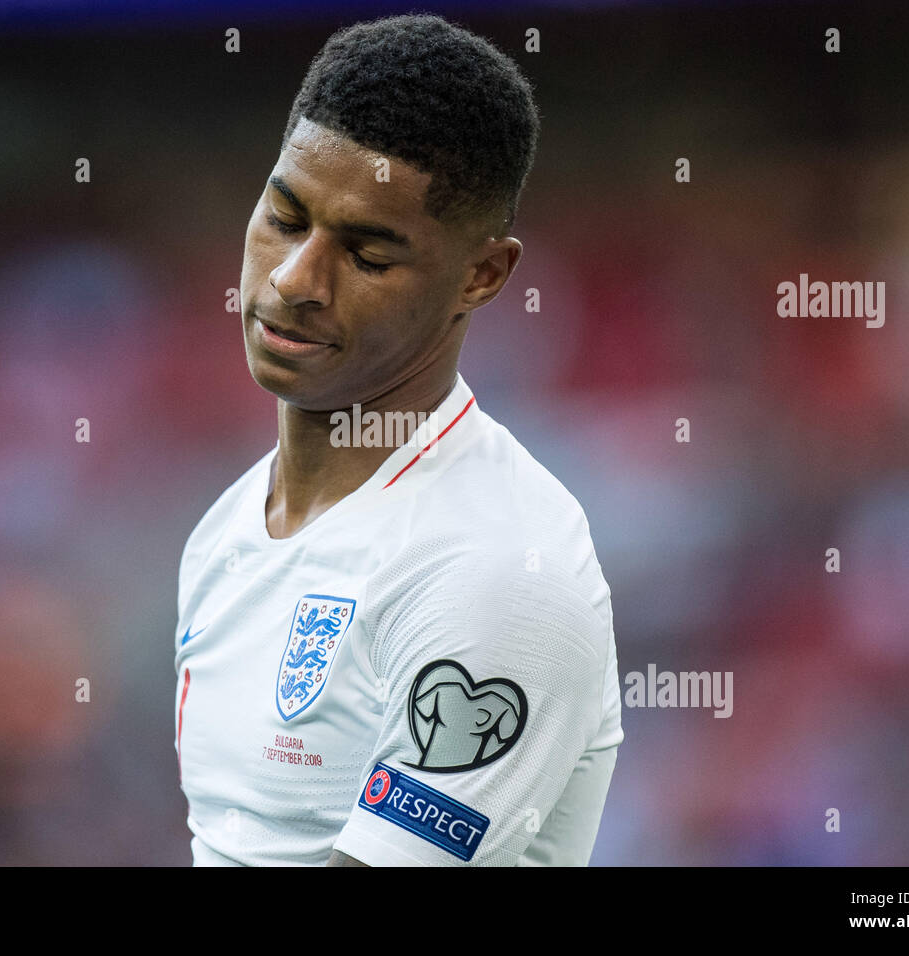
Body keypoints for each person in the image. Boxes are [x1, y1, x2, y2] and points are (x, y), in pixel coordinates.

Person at [173, 12, 622, 866]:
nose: (295, 279)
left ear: (481, 277)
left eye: (368, 255)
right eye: (283, 215)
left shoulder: (496, 570)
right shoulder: (224, 534)